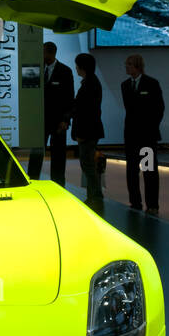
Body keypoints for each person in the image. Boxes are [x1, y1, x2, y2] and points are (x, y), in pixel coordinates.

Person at [121, 53, 164, 215]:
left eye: (129, 64)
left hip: (147, 137)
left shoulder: (152, 84)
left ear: (138, 66)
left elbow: (159, 109)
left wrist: (150, 128)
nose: (126, 67)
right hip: (131, 136)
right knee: (131, 170)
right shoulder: (125, 85)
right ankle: (135, 202)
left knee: (149, 171)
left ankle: (152, 204)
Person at [27, 41, 74, 184]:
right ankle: (32, 182)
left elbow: (69, 98)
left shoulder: (65, 71)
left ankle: (58, 184)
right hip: (39, 121)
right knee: (35, 155)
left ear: (50, 53)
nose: (40, 55)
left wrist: (66, 120)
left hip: (58, 122)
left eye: (42, 52)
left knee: (59, 156)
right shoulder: (35, 69)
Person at [72, 52, 104, 212]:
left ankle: (95, 196)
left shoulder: (89, 85)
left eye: (77, 65)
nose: (76, 68)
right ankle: (93, 195)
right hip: (90, 130)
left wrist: (81, 133)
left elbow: (87, 112)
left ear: (82, 67)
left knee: (88, 165)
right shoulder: (91, 83)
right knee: (88, 164)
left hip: (88, 131)